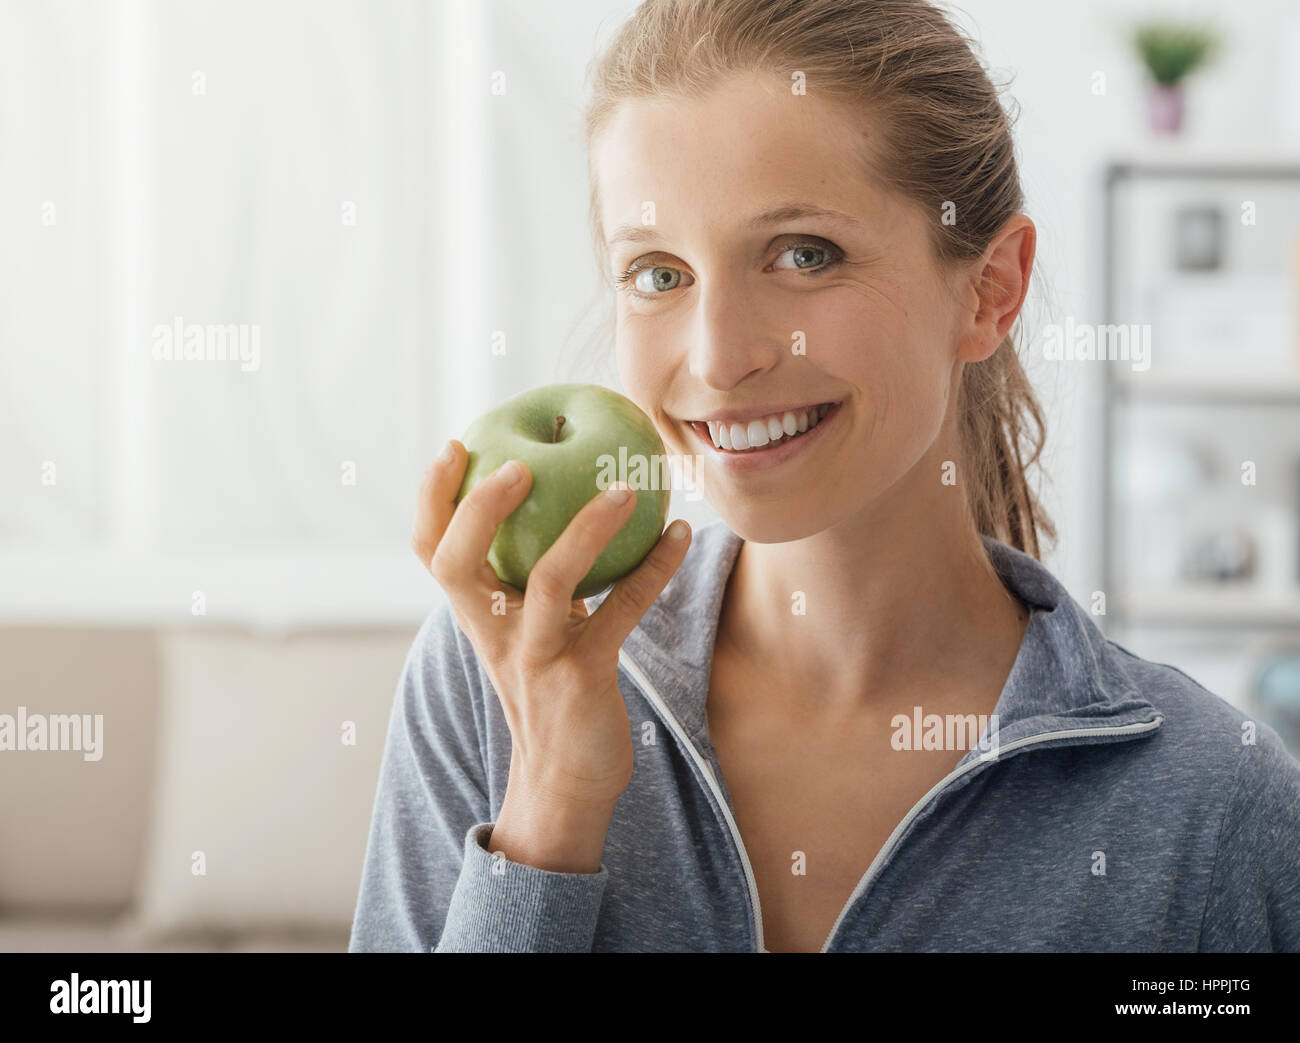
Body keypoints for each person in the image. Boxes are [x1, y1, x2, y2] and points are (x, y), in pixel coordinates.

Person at [348, 0, 1300, 953]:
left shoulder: (1214, 806)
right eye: (657, 273)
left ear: (989, 289)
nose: (719, 358)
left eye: (805, 254)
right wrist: (547, 814)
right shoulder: (494, 682)